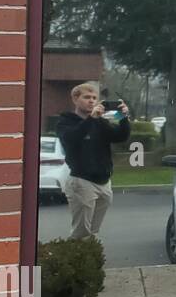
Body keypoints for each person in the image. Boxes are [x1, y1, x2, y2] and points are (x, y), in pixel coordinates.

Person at [55, 82, 129, 240]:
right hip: (81, 181)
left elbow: (120, 137)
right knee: (81, 232)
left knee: (93, 232)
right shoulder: (65, 121)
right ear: (75, 99)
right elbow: (72, 138)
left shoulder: (100, 123)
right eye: (87, 97)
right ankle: (73, 261)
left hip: (104, 182)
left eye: (94, 98)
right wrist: (91, 118)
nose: (91, 101)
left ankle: (90, 260)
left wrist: (123, 118)